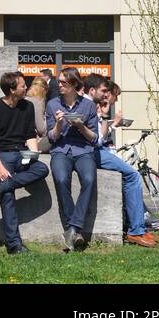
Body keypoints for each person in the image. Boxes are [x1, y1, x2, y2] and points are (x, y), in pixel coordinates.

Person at [84, 74, 157, 248]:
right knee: (133, 176)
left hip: (97, 149)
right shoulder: (88, 105)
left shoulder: (91, 105)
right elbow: (99, 140)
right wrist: (109, 121)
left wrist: (104, 117)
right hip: (93, 152)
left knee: (131, 176)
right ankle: (136, 231)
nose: (106, 95)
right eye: (104, 91)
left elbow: (100, 136)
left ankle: (138, 228)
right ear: (93, 90)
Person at [0, 71, 50, 255]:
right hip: (2, 156)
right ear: (12, 90)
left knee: (42, 169)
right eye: (22, 85)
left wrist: (33, 153)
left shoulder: (27, 107)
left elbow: (30, 135)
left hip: (21, 154)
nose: (26, 88)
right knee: (8, 197)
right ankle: (14, 246)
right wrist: (1, 168)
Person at [46, 67, 98, 250]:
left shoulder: (88, 105)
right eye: (59, 82)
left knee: (90, 179)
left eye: (63, 82)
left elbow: (94, 137)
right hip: (61, 149)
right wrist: (59, 124)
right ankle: (73, 228)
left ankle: (73, 228)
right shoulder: (52, 104)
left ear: (74, 84)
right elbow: (51, 137)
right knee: (60, 179)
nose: (59, 85)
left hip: (83, 150)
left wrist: (80, 126)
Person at [26, 75, 52, 153]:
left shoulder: (25, 99)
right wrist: (49, 116)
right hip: (33, 143)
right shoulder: (37, 102)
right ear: (43, 90)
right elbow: (42, 130)